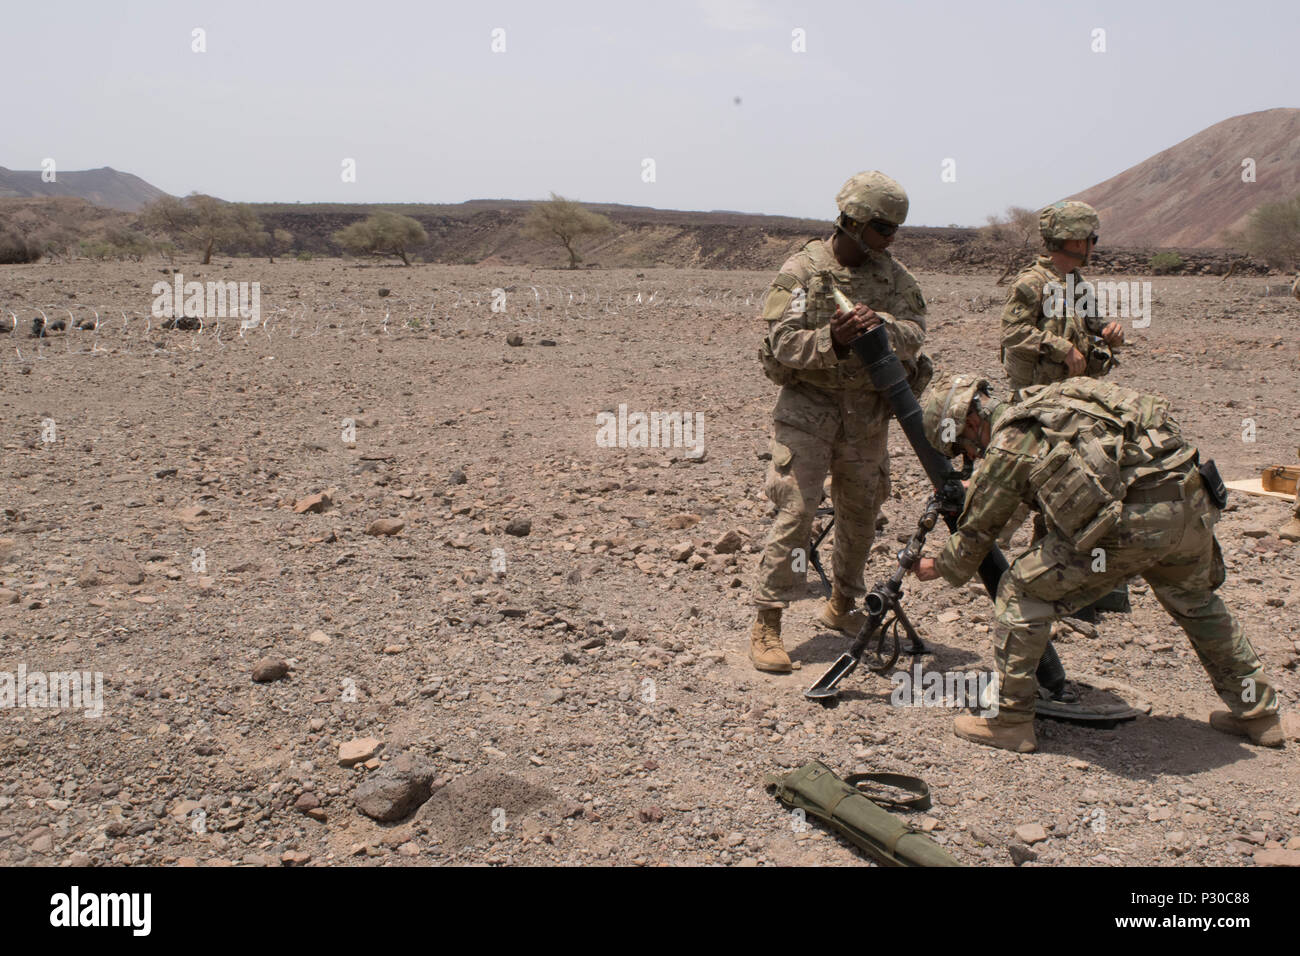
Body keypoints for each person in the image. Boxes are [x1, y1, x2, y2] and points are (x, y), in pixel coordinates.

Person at [908, 373, 1284, 752]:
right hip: (1191, 499)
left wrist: (936, 566)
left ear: (971, 423)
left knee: (1020, 591)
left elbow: (977, 534)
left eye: (963, 448)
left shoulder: (1009, 442)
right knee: (1196, 602)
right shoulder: (1059, 401)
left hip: (1134, 524)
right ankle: (1259, 714)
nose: (970, 458)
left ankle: (1010, 722)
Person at [749, 171, 929, 672]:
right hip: (808, 410)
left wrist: (882, 325)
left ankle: (842, 605)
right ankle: (767, 620)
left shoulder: (894, 278)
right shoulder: (804, 272)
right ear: (854, 222)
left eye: (896, 230)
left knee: (861, 513)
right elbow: (782, 343)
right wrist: (833, 339)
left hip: (866, 416)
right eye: (884, 229)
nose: (891, 239)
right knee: (796, 511)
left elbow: (917, 333)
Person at [1000, 200, 1125, 401]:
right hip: (1035, 400)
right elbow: (1012, 332)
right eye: (1093, 239)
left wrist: (1108, 331)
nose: (1093, 247)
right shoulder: (1032, 282)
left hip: (1072, 393)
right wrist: (1063, 349)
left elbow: (1092, 323)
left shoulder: (1074, 281)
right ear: (1076, 241)